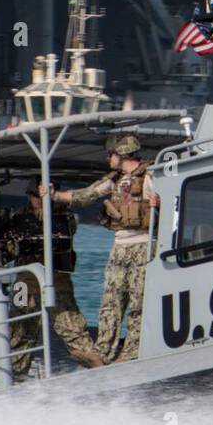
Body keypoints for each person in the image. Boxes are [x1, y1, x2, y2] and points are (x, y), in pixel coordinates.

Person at [53, 134, 157, 362]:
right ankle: (103, 352)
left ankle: (131, 352)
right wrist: (55, 196)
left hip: (144, 244)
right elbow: (85, 195)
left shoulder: (151, 177)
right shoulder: (114, 180)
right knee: (111, 302)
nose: (108, 159)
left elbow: (174, 199)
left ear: (122, 154)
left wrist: (158, 201)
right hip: (119, 247)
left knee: (139, 302)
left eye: (110, 154)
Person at [1, 183, 103, 377]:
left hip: (57, 282)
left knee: (73, 330)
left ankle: (98, 369)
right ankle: (14, 378)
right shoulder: (18, 218)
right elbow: (11, 250)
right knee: (19, 333)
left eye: (40, 195)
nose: (37, 200)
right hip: (25, 283)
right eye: (33, 195)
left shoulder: (63, 216)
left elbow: (59, 236)